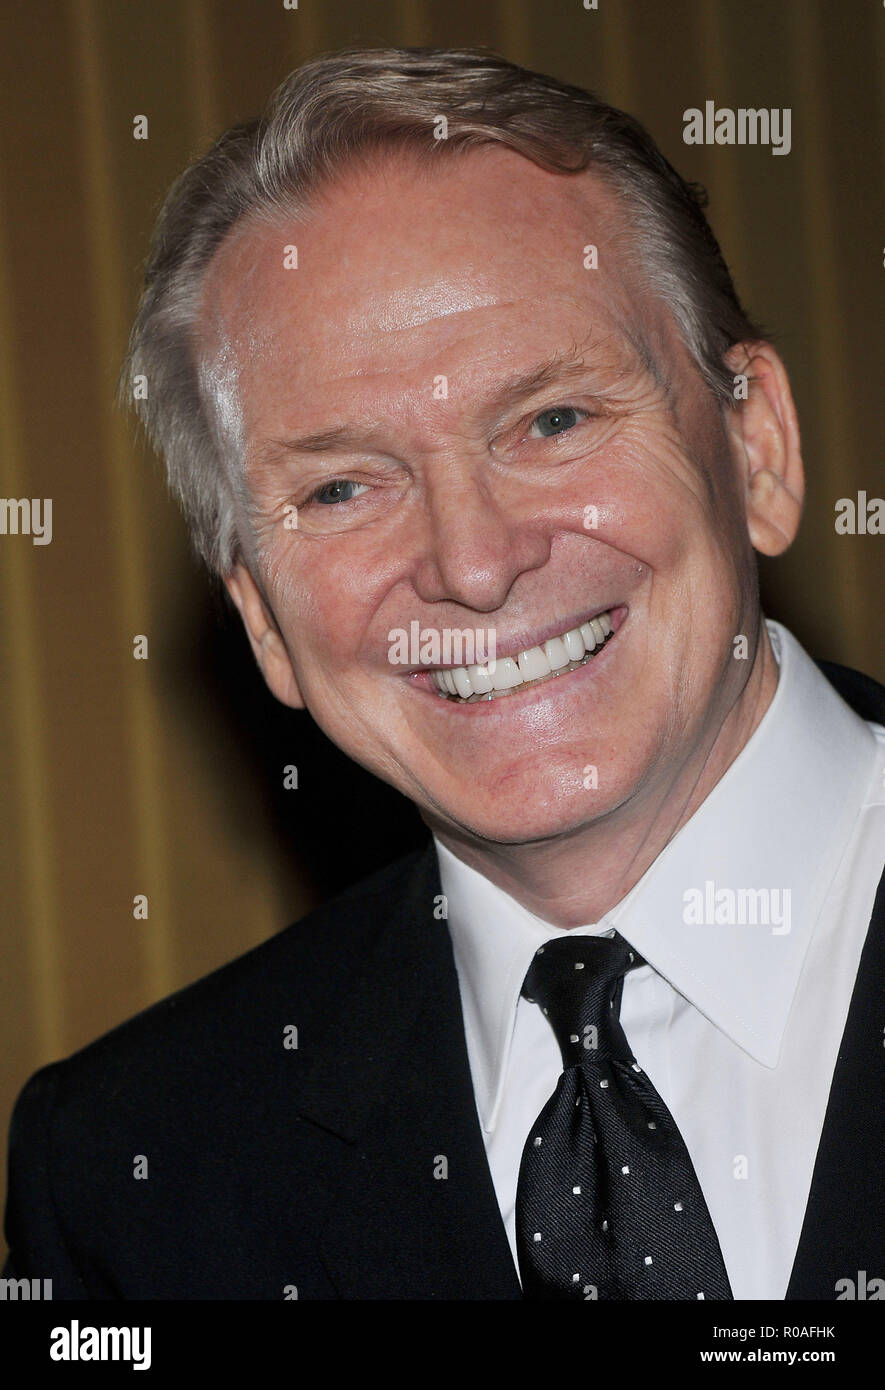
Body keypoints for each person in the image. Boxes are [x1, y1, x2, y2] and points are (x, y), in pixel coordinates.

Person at [4, 46, 884, 1301]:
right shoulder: (131, 1174)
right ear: (261, 619)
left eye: (553, 420)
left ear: (759, 448)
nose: (472, 565)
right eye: (344, 486)